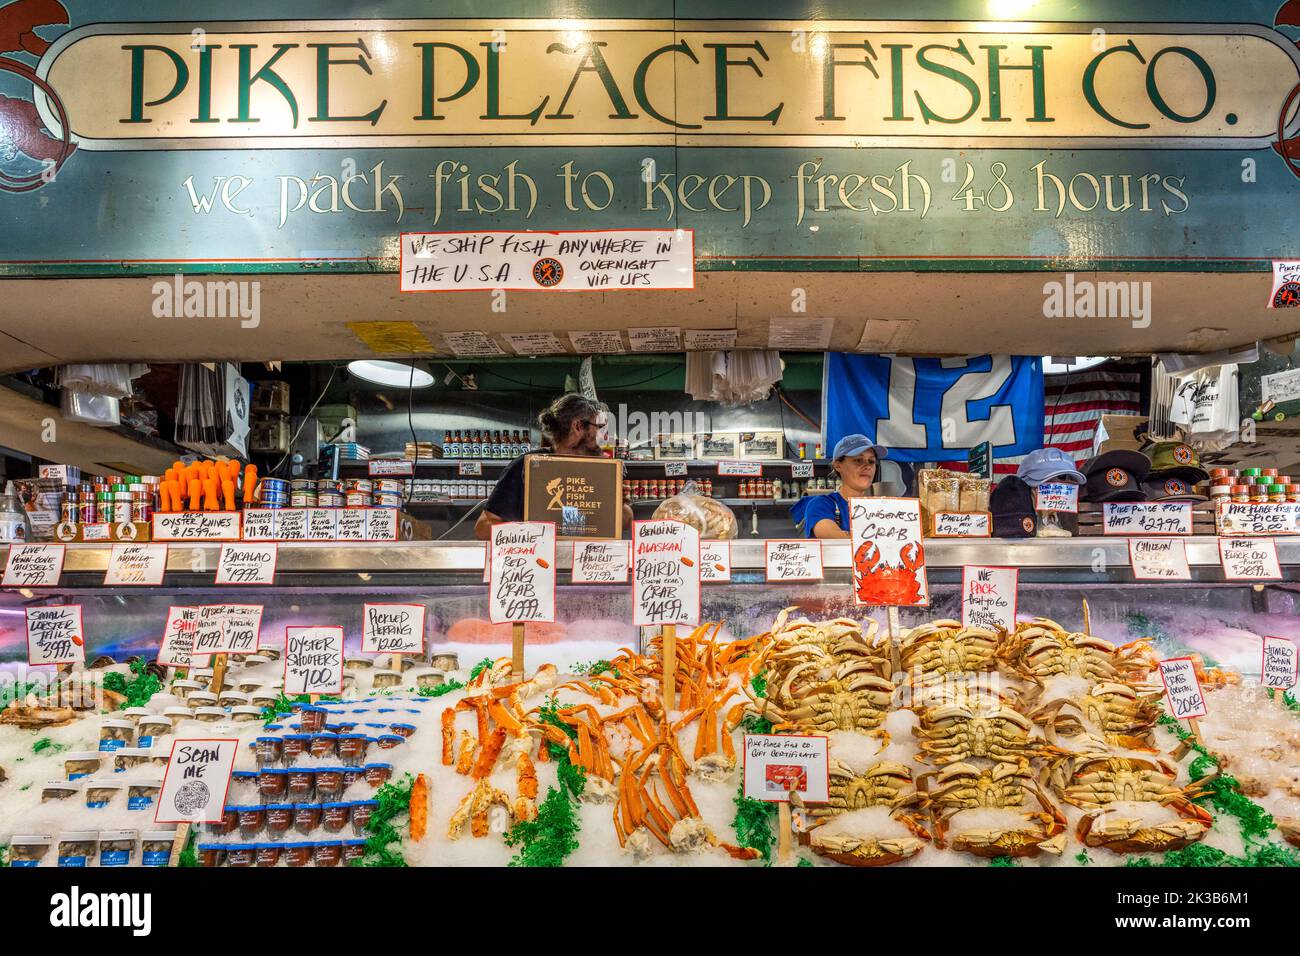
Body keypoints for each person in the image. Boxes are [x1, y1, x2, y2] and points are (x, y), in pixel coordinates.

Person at [474, 393, 634, 540]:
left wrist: (617, 502)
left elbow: (625, 522)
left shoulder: (604, 468)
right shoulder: (527, 466)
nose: (606, 436)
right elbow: (483, 527)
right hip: (538, 565)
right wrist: (535, 534)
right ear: (578, 426)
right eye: (601, 428)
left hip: (592, 564)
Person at [791, 434, 887, 539]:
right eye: (858, 460)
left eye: (871, 461)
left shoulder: (882, 509)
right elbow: (836, 538)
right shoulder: (821, 505)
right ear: (838, 465)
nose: (867, 466)